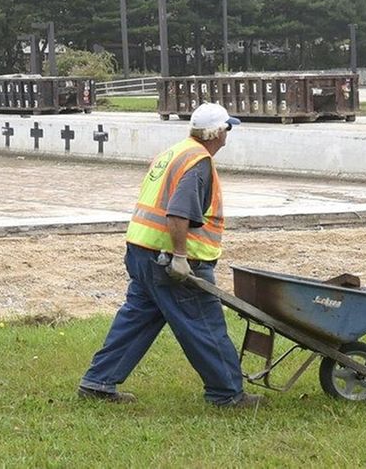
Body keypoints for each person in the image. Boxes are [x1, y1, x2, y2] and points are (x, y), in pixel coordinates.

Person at [77, 102, 263, 409]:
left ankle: (98, 382)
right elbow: (178, 212)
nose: (229, 133)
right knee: (203, 323)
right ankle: (228, 394)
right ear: (216, 133)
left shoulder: (173, 153)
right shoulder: (198, 162)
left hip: (140, 250)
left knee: (137, 319)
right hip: (171, 259)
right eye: (227, 127)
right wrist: (180, 257)